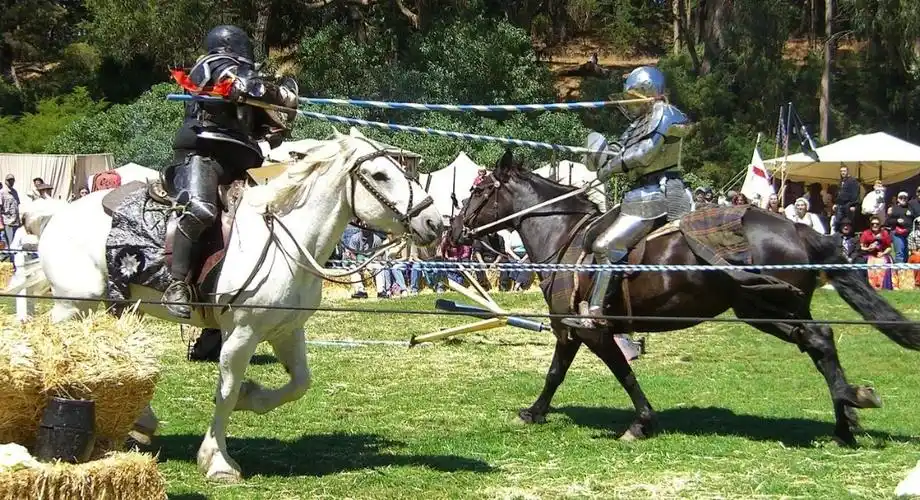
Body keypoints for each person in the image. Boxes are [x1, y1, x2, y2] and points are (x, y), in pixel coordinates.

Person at [161, 25, 300, 318]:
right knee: (200, 209)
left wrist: (278, 118)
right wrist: (276, 93)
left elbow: (265, 121)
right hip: (203, 151)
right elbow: (240, 85)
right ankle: (177, 285)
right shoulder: (210, 66)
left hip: (243, 160)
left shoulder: (247, 80)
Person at [562, 65, 693, 330]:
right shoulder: (637, 124)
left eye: (634, 97)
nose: (630, 105)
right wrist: (598, 154)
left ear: (648, 93)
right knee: (594, 236)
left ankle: (599, 310)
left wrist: (609, 168)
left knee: (606, 246)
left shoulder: (665, 114)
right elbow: (618, 149)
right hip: (638, 195)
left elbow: (644, 154)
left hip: (659, 193)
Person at [860, 216, 893, 290]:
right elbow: (861, 247)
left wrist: (883, 253)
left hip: (881, 254)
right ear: (870, 225)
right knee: (869, 262)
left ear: (880, 225)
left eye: (877, 224)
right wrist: (868, 249)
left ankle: (884, 286)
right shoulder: (866, 233)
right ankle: (870, 285)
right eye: (873, 224)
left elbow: (889, 247)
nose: (875, 225)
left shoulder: (884, 233)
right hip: (869, 254)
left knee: (885, 262)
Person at [886, 191, 912, 263]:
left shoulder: (911, 207)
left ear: (907, 199)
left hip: (909, 232)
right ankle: (899, 272)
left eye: (905, 198)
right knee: (899, 253)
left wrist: (911, 214)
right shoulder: (893, 208)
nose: (903, 199)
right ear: (898, 199)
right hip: (897, 233)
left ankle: (907, 271)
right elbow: (888, 222)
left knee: (908, 253)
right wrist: (897, 220)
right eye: (901, 197)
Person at [0, 174, 21, 262]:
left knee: (17, 242)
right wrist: (1, 222)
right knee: (11, 243)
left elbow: (17, 205)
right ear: (5, 181)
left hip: (16, 221)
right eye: (9, 180)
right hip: (8, 221)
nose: (11, 182)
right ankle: (12, 261)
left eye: (12, 180)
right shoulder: (2, 192)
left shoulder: (15, 192)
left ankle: (15, 260)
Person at [834, 166, 860, 233]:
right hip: (840, 204)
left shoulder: (852, 181)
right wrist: (836, 203)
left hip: (848, 204)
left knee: (849, 221)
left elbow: (855, 193)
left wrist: (854, 205)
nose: (843, 173)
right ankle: (839, 235)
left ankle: (850, 235)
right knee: (838, 221)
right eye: (841, 171)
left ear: (847, 171)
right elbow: (838, 194)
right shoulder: (841, 181)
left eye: (844, 171)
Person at [907, 217, 920, 287]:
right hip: (916, 254)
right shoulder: (912, 235)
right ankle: (917, 282)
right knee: (918, 258)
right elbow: (913, 250)